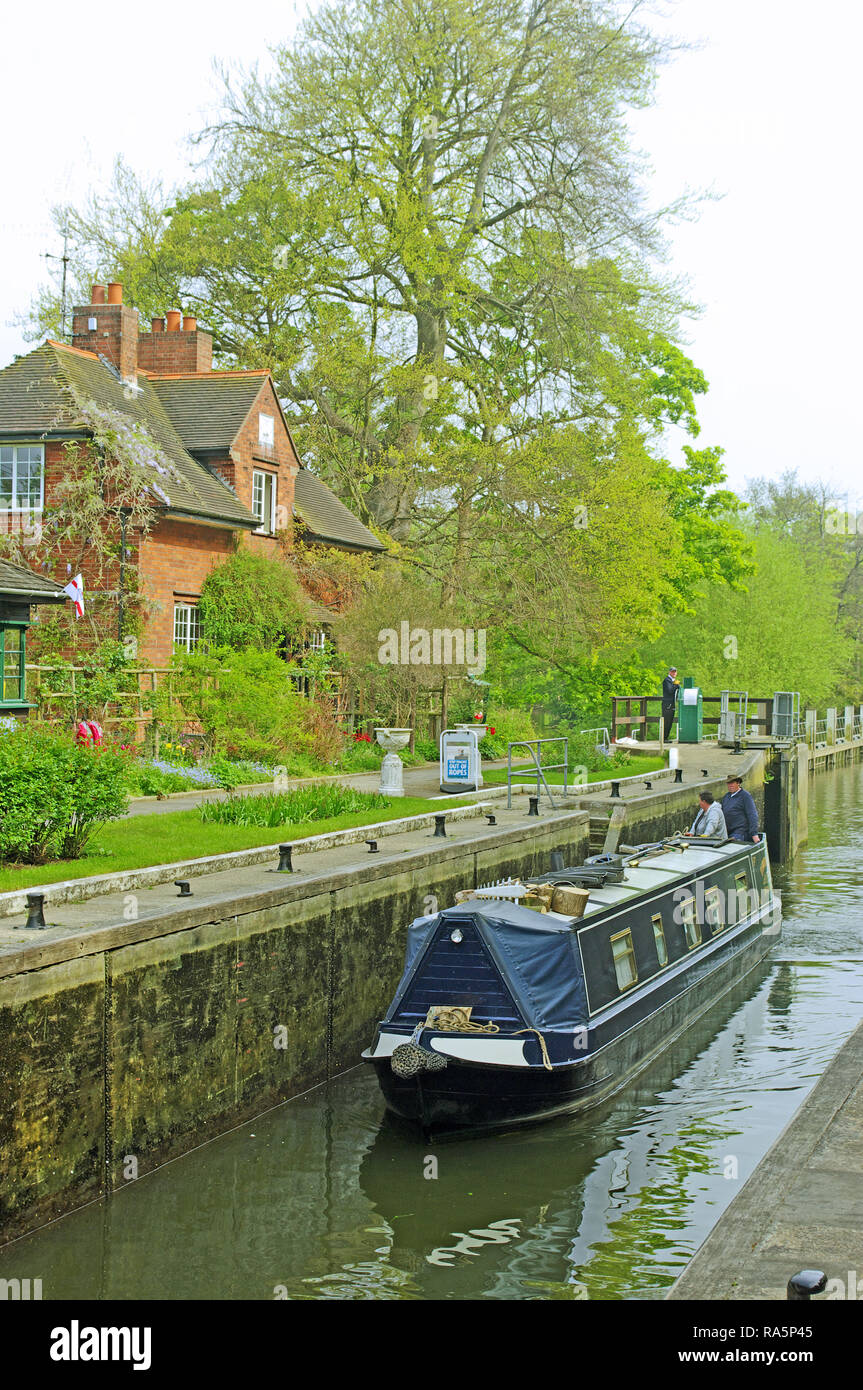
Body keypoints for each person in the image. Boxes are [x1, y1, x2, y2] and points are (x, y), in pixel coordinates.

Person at [721, 775, 760, 843]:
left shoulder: (745, 796)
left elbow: (752, 815)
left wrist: (754, 834)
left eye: (732, 783)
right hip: (727, 831)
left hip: (740, 832)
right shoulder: (726, 797)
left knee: (733, 844)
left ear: (738, 783)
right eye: (728, 783)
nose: (730, 785)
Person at [661, 667, 680, 741]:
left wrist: (676, 684)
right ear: (669, 672)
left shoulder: (673, 681)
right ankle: (664, 738)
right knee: (667, 721)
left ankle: (666, 738)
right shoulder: (667, 680)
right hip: (667, 704)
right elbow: (670, 691)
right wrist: (676, 685)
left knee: (670, 722)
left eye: (675, 672)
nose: (674, 673)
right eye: (672, 672)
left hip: (671, 704)